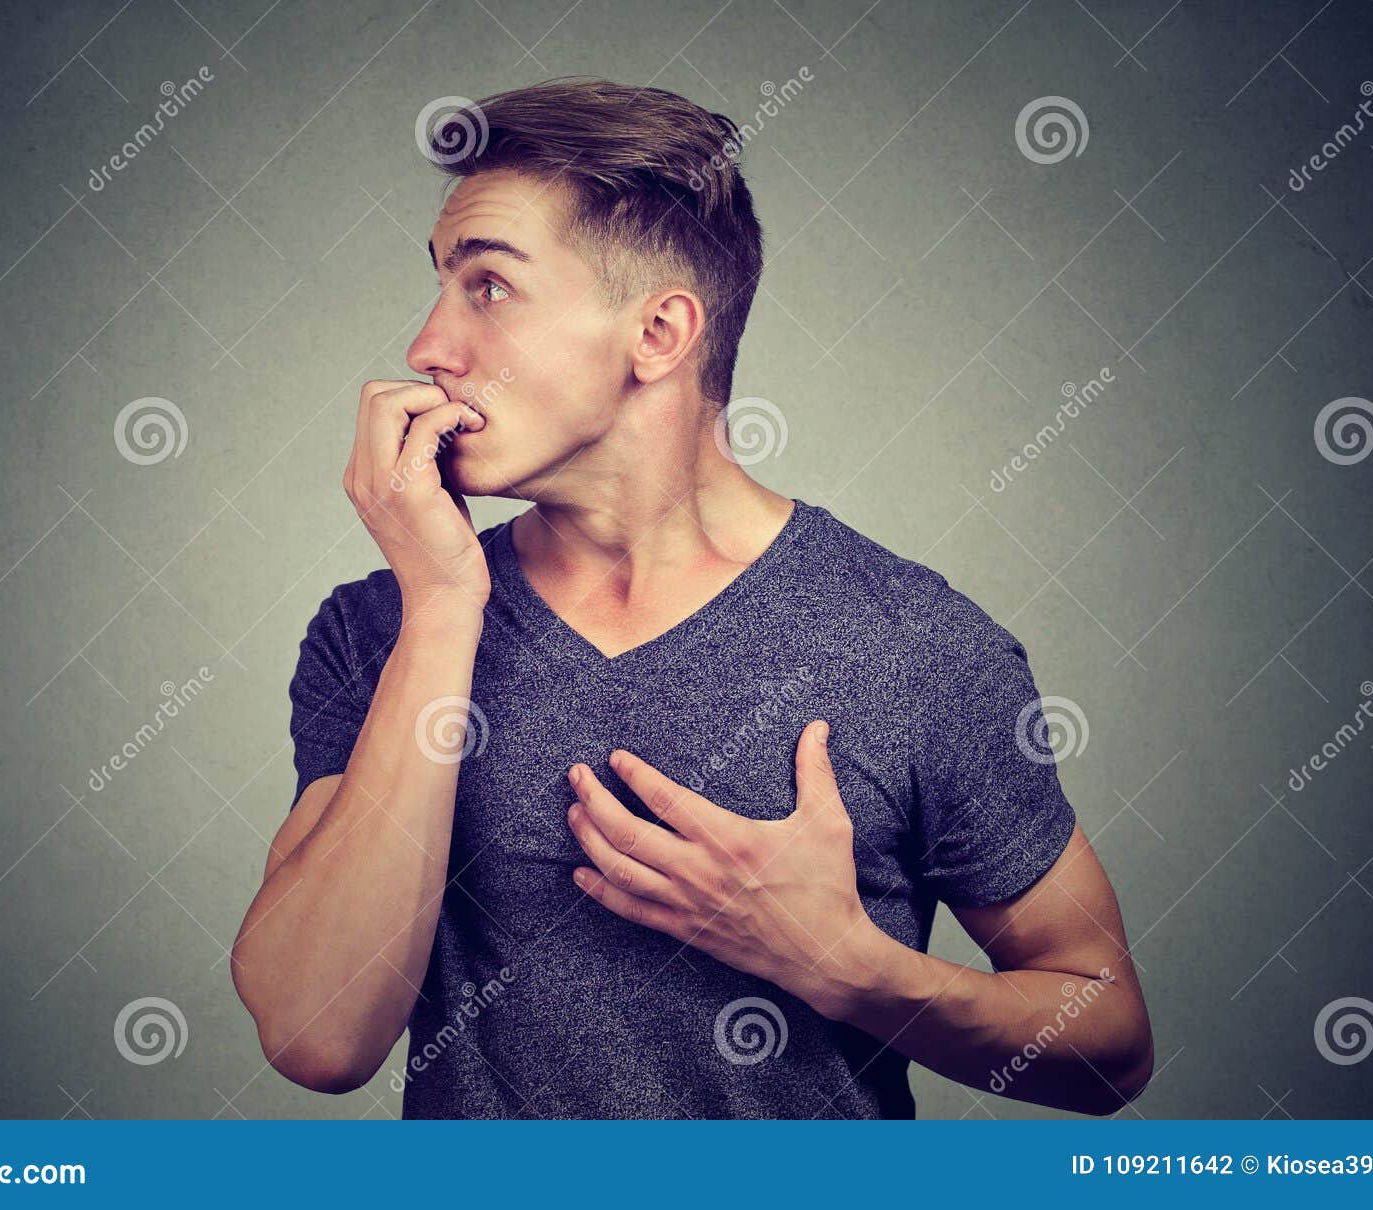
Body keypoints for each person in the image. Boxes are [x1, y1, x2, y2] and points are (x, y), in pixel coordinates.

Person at [231, 78, 1153, 1119]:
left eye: (486, 286)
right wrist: (445, 605)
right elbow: (317, 1031)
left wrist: (854, 970)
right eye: (441, 285)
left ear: (659, 333)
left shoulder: (915, 645)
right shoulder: (382, 625)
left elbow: (1108, 1044)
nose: (427, 346)